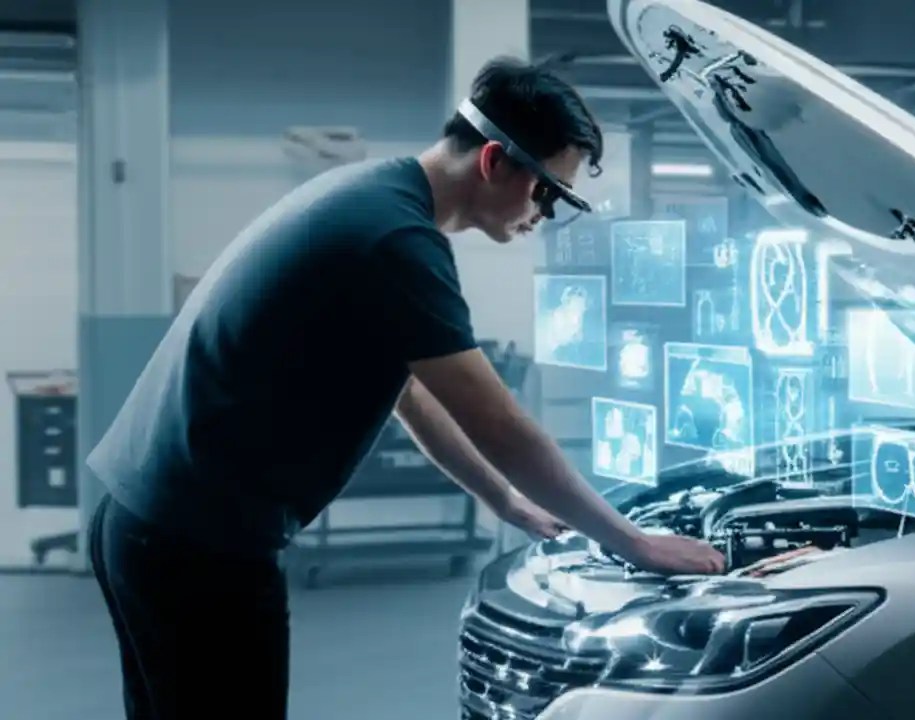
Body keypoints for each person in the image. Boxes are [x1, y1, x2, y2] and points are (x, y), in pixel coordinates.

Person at [85, 56, 726, 720]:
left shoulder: (374, 196)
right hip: (197, 548)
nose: (545, 215)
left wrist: (502, 498)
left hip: (146, 525)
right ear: (493, 162)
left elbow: (411, 393)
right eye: (548, 193)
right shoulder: (396, 239)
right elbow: (499, 424)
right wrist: (635, 543)